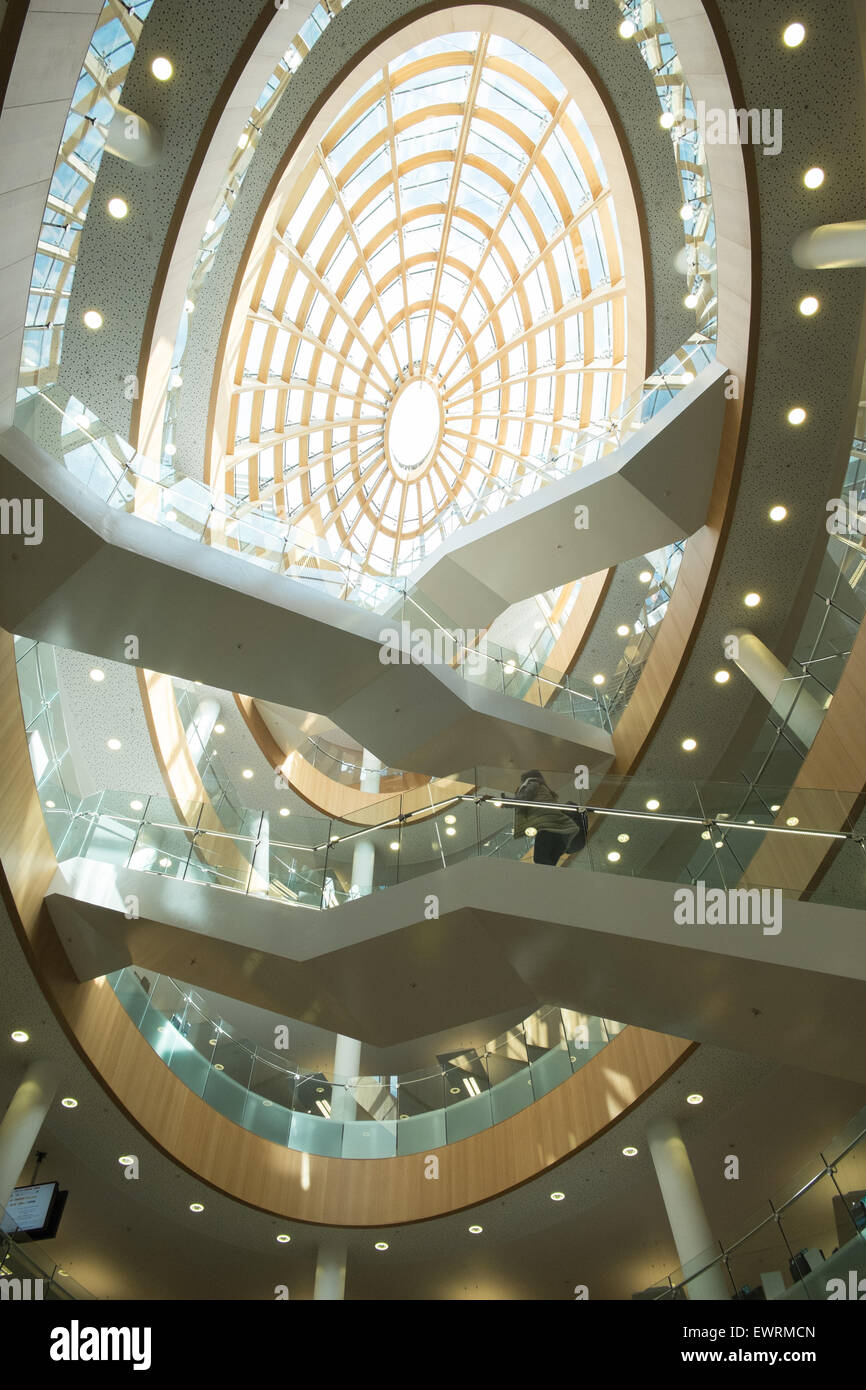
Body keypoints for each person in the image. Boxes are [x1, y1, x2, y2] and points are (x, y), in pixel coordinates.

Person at [512, 769, 585, 866]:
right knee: (548, 863)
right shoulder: (547, 792)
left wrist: (507, 802)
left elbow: (523, 799)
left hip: (547, 828)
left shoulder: (532, 783)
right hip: (560, 831)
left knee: (540, 859)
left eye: (522, 781)